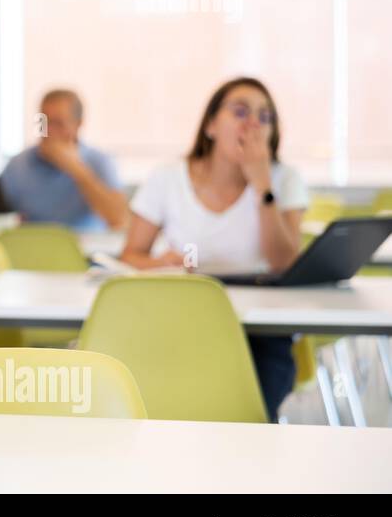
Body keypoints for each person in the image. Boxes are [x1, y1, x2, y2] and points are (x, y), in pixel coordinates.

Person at [121, 77, 308, 421]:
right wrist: (160, 263)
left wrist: (262, 186)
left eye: (264, 117)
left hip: (260, 331)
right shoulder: (166, 178)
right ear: (210, 125)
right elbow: (130, 256)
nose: (253, 123)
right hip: (181, 320)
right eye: (240, 111)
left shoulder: (285, 179)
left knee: (247, 423)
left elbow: (284, 261)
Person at [0, 89, 128, 231]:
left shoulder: (100, 162)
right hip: (33, 247)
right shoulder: (17, 165)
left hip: (85, 249)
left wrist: (76, 169)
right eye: (43, 122)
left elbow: (119, 219)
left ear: (78, 124)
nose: (48, 131)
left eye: (58, 123)